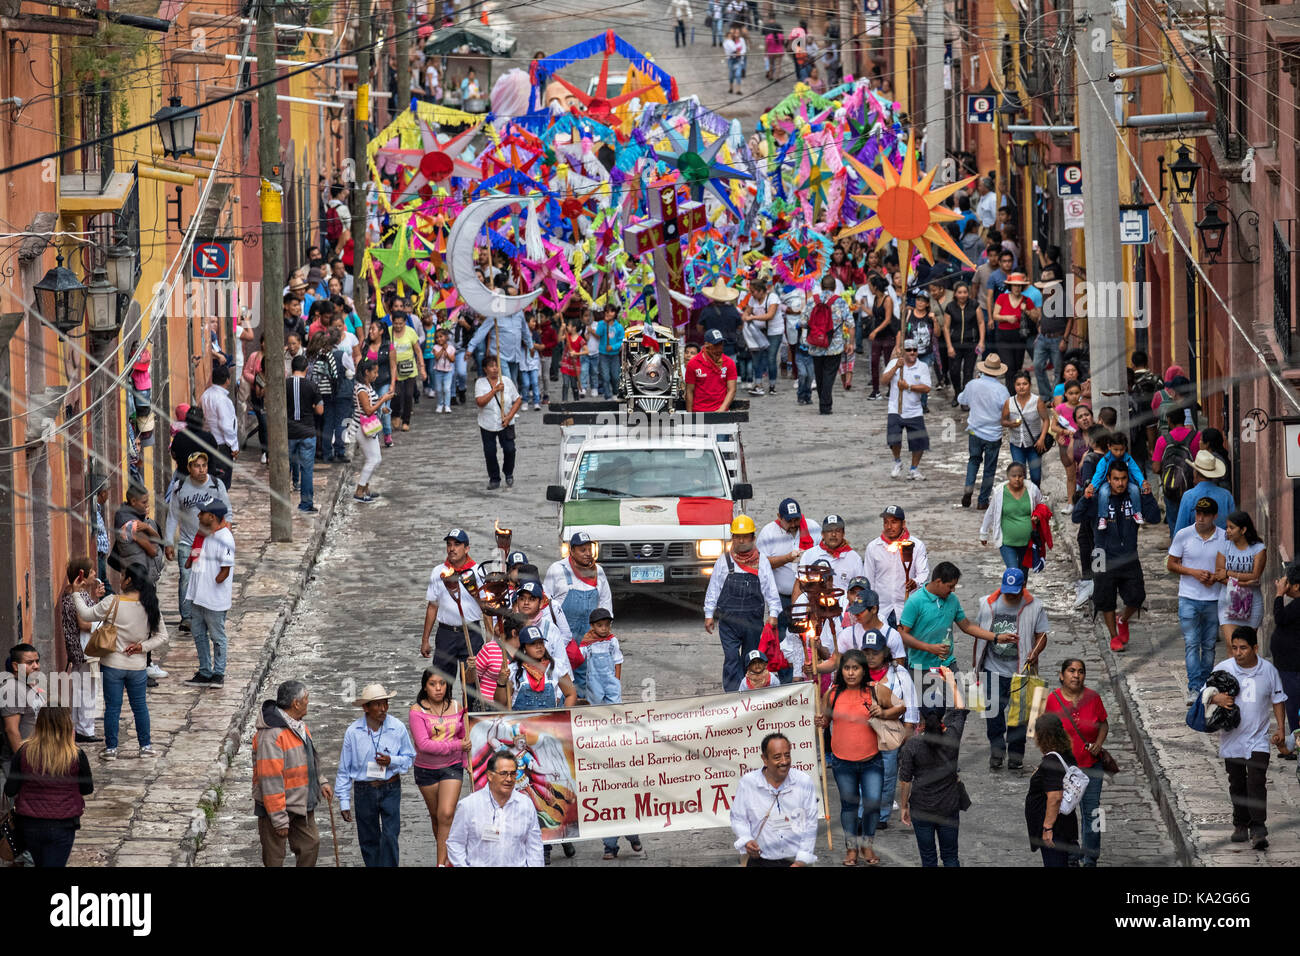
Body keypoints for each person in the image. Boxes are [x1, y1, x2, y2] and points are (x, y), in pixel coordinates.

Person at [73, 564, 168, 759]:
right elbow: (162, 636)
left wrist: (76, 592)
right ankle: (145, 746)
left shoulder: (112, 602)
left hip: (113, 664)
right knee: (140, 706)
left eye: (122, 576)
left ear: (129, 580)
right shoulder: (150, 605)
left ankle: (111, 749)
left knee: (113, 708)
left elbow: (86, 614)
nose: (120, 579)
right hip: (137, 665)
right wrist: (142, 647)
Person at [1208, 627, 1289, 850]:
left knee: (1256, 780)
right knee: (1237, 782)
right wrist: (1217, 699)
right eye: (1234, 648)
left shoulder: (1269, 671)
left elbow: (1278, 699)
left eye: (1243, 648)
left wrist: (1281, 728)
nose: (1238, 653)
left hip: (1259, 738)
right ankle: (1240, 824)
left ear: (1255, 648)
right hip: (1232, 738)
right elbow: (1206, 696)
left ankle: (1259, 827)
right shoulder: (1223, 669)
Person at [1072, 462, 1162, 652]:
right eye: (1116, 479)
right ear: (1108, 479)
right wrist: (1086, 498)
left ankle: (1122, 619)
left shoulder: (1134, 497)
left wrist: (1147, 496)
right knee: (1104, 599)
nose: (1120, 483)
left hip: (1129, 554)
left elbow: (1154, 518)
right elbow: (1076, 517)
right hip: (1101, 554)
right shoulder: (1098, 499)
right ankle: (1114, 637)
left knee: (1137, 596)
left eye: (1123, 479)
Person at [814, 648, 886, 865]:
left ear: (864, 670)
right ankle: (851, 848)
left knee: (873, 803)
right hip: (842, 762)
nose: (851, 673)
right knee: (849, 806)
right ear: (841, 671)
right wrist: (820, 721)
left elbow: (899, 708)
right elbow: (825, 723)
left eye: (855, 668)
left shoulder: (875, 691)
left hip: (871, 760)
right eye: (847, 668)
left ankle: (867, 843)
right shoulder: (832, 694)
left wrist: (884, 712)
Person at [974, 568, 1048, 771]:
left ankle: (1016, 755)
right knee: (993, 714)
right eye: (1007, 591)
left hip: (1021, 671)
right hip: (992, 669)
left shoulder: (1035, 606)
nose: (1010, 595)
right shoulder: (987, 604)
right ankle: (996, 752)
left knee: (1020, 716)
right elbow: (979, 634)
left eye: (1015, 592)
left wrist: (1035, 651)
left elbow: (1042, 635)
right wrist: (977, 666)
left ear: (1023, 587)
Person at [335, 683, 416, 867]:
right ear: (366, 707)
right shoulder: (353, 732)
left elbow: (410, 757)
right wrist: (344, 801)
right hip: (364, 790)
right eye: (377, 705)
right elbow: (344, 769)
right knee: (368, 840)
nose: (383, 709)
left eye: (385, 703)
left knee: (390, 836)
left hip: (391, 787)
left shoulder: (397, 727)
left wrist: (392, 761)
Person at [252, 679, 331, 867]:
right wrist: (279, 819)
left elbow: (308, 757)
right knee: (274, 857)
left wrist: (321, 781)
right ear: (296, 703)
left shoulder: (298, 725)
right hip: (277, 807)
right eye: (306, 699)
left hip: (302, 802)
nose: (308, 703)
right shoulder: (272, 735)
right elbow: (270, 780)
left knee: (310, 845)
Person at [2, 708, 92, 867]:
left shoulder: (24, 752)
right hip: (63, 823)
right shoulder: (75, 755)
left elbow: (11, 789)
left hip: (30, 824)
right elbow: (87, 788)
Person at [898, 667, 967, 866]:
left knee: (928, 858)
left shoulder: (912, 745)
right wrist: (952, 683)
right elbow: (960, 711)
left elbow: (905, 780)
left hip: (921, 807)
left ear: (921, 716)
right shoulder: (952, 736)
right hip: (949, 806)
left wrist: (904, 806)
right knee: (951, 856)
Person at [704, 515, 782, 692]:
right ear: (732, 538)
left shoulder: (762, 562)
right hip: (728, 621)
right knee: (731, 658)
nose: (741, 540)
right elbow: (713, 588)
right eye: (737, 536)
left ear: (753, 538)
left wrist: (773, 614)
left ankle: (751, 697)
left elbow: (770, 590)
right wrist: (709, 614)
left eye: (745, 536)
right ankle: (732, 698)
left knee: (752, 659)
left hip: (752, 621)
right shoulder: (723, 561)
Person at [1044, 659, 1109, 865]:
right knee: (1064, 813)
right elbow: (1047, 733)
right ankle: (1071, 854)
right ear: (1062, 675)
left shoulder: (1093, 698)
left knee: (1092, 813)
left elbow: (1103, 724)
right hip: (1064, 769)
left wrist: (1098, 744)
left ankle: (1091, 857)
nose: (1076, 675)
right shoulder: (1053, 700)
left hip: (1091, 766)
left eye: (1080, 672)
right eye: (1071, 671)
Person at [1167, 496, 1227, 704]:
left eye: (1205, 515)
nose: (1201, 518)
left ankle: (1205, 683)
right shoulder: (1184, 535)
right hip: (1188, 598)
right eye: (1198, 514)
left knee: (1209, 645)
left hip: (1213, 599)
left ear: (1214, 516)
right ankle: (1194, 687)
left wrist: (1215, 577)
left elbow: (1226, 567)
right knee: (1192, 644)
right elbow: (1171, 564)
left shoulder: (1224, 538)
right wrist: (1193, 572)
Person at [164, 451, 231, 634]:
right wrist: (168, 542)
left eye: (204, 465)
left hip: (210, 542)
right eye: (196, 466)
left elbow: (228, 513)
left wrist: (226, 539)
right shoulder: (180, 488)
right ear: (189, 468)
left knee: (206, 577)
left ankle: (205, 613)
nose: (201, 470)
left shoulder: (217, 486)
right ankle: (186, 617)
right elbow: (172, 517)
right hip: (187, 541)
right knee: (186, 577)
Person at [729, 732, 818, 866]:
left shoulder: (804, 781)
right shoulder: (748, 783)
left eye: (787, 755)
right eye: (777, 757)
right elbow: (738, 818)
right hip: (760, 860)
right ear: (765, 759)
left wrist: (801, 860)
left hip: (795, 860)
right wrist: (746, 840)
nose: (784, 761)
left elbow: (810, 823)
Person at [409, 670, 469, 867]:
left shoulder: (456, 706)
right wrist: (455, 746)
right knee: (437, 818)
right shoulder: (417, 711)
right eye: (433, 684)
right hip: (426, 769)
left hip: (452, 767)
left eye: (442, 684)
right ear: (425, 686)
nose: (438, 688)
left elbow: (463, 737)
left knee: (446, 814)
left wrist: (466, 762)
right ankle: (447, 857)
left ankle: (440, 864)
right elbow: (424, 744)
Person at [447, 750, 544, 867]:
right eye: (503, 773)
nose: (509, 779)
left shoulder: (526, 804)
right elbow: (455, 843)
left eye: (513, 774)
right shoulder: (468, 806)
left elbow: (535, 846)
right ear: (490, 776)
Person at [898, 562, 999, 673]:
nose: (953, 590)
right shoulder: (915, 602)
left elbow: (967, 626)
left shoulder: (952, 599)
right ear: (938, 582)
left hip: (947, 665)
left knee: (955, 691)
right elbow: (902, 635)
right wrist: (929, 648)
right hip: (920, 668)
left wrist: (996, 637)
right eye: (950, 586)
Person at [183, 499, 235, 687]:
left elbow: (225, 569)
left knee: (217, 636)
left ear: (212, 517)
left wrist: (214, 584)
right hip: (198, 597)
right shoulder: (205, 535)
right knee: (198, 634)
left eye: (202, 513)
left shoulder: (225, 538)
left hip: (214, 600)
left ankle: (218, 673)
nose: (198, 516)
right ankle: (205, 671)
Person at [420, 528, 486, 678]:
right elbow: (432, 606)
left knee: (472, 682)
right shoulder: (439, 572)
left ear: (467, 548)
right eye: (449, 544)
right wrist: (425, 640)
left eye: (457, 544)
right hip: (446, 634)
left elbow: (487, 607)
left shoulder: (478, 572)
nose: (452, 548)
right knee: (441, 681)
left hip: (471, 632)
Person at [1025, 712, 1081, 866]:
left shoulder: (1052, 761)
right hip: (1066, 826)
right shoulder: (1064, 754)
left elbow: (1055, 796)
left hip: (1056, 832)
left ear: (1042, 736)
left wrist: (1047, 828)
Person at [862, 504, 930, 627]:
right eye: (886, 522)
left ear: (903, 524)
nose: (889, 527)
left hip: (907, 608)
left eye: (894, 522)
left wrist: (915, 582)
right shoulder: (873, 547)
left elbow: (923, 573)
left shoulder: (916, 545)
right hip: (882, 610)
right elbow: (869, 580)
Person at [958, 353, 1010, 509]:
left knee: (973, 460)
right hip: (993, 434)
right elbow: (1007, 411)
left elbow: (962, 400)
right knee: (989, 467)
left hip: (975, 431)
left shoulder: (973, 384)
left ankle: (969, 487)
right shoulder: (1002, 390)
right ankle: (982, 500)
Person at [58, 559, 102, 742]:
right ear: (82, 574)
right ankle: (85, 730)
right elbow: (84, 623)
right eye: (92, 572)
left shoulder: (77, 594)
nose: (95, 575)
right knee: (87, 689)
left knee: (81, 688)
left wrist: (97, 600)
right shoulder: (74, 596)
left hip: (79, 649)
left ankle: (78, 727)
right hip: (84, 649)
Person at [882, 338, 932, 480]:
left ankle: (914, 468)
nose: (912, 353)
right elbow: (884, 381)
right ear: (903, 351)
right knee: (894, 440)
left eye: (915, 350)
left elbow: (927, 388)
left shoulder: (922, 366)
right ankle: (897, 461)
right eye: (909, 350)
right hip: (895, 409)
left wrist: (909, 387)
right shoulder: (895, 363)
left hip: (914, 410)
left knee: (920, 442)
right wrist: (896, 367)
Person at [979, 462, 1044, 571]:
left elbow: (1041, 506)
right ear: (1008, 476)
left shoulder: (1032, 490)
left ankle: (1021, 587)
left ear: (1024, 476)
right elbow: (990, 513)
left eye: (1020, 476)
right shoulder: (1000, 492)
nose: (1017, 479)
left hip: (1027, 542)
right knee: (1013, 572)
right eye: (1014, 476)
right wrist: (983, 533)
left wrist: (1037, 516)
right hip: (1006, 542)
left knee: (1023, 576)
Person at [1215, 510, 1266, 643]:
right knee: (1232, 645)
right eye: (1227, 527)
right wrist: (1244, 583)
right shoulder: (1225, 546)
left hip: (1252, 603)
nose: (1227, 531)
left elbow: (1255, 575)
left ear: (1243, 530)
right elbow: (1219, 575)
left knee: (1247, 646)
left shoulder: (1258, 548)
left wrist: (1228, 573)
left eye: (1232, 528)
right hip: (1227, 601)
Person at [475, 354, 522, 490]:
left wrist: (509, 416)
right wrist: (494, 391)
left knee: (510, 449)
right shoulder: (481, 383)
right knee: (490, 452)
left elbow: (518, 400)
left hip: (506, 422)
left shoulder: (506, 381)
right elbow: (480, 402)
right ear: (485, 369)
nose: (495, 369)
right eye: (491, 366)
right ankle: (494, 478)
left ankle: (508, 472)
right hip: (487, 423)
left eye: (496, 366)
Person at [286, 353, 325, 513]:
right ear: (306, 369)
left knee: (285, 467)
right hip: (307, 431)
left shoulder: (284, 384)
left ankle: (282, 503)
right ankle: (306, 504)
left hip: (288, 432)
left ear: (292, 368)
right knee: (307, 469)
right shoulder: (312, 385)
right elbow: (320, 410)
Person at [805, 275, 848, 414]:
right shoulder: (840, 302)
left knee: (819, 375)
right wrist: (851, 342)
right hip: (834, 345)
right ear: (835, 287)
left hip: (816, 343)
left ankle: (824, 402)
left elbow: (802, 321)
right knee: (829, 375)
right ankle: (825, 405)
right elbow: (850, 323)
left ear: (821, 287)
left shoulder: (812, 300)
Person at [351, 360, 392, 503]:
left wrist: (382, 405)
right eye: (374, 372)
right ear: (367, 372)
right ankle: (359, 491)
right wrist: (383, 400)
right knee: (373, 459)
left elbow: (371, 405)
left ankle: (365, 487)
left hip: (369, 428)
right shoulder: (361, 389)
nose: (377, 375)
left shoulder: (367, 386)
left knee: (375, 459)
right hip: (362, 428)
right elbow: (368, 411)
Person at [1004, 370, 1052, 487]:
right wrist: (1010, 424)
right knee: (1019, 476)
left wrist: (1041, 439)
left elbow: (1046, 420)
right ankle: (1022, 500)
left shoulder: (1037, 401)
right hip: (1016, 445)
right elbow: (1002, 421)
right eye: (1018, 384)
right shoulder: (1009, 402)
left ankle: (1036, 499)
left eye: (1024, 384)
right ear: (1014, 386)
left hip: (1034, 445)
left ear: (1030, 385)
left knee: (1036, 477)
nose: (1021, 387)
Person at [796, 514, 864, 596]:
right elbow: (799, 587)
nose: (833, 534)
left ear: (843, 534)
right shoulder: (809, 555)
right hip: (814, 606)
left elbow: (861, 590)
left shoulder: (854, 558)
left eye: (838, 531)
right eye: (829, 531)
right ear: (822, 534)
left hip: (844, 607)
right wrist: (794, 608)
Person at [1173, 450, 1236, 535]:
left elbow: (1180, 530)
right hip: (1221, 545)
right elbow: (1233, 528)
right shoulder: (1226, 496)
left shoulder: (1189, 496)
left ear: (1195, 473)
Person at [200, 365, 239, 489]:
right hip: (221, 445)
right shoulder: (222, 400)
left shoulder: (205, 395)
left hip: (208, 442)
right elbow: (226, 426)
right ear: (227, 380)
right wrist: (233, 445)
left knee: (210, 481)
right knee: (222, 484)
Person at [942, 282, 982, 400]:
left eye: (965, 292)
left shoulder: (975, 305)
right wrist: (949, 346)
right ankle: (957, 393)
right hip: (955, 344)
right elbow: (946, 327)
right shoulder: (950, 307)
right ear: (955, 294)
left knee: (968, 372)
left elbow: (980, 323)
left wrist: (981, 341)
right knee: (954, 371)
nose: (962, 295)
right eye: (960, 292)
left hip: (971, 343)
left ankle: (965, 397)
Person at [388, 311, 425, 431]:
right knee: (396, 394)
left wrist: (422, 367)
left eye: (401, 323)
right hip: (394, 370)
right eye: (396, 323)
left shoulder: (410, 332)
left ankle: (406, 420)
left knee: (409, 395)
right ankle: (396, 414)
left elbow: (418, 350)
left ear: (405, 322)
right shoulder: (388, 332)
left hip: (409, 369)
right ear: (392, 321)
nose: (398, 326)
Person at [686, 328, 738, 412]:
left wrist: (721, 410)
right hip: (699, 411)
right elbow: (689, 390)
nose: (720, 348)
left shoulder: (729, 363)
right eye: (716, 344)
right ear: (706, 346)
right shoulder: (693, 363)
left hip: (721, 412)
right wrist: (689, 415)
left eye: (721, 344)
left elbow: (732, 389)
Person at [865, 274, 898, 399]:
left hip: (887, 334)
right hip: (878, 335)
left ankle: (891, 388)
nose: (869, 289)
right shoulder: (875, 299)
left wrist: (875, 331)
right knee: (874, 362)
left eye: (870, 286)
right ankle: (875, 389)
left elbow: (888, 319)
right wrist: (862, 307)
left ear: (875, 287)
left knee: (888, 362)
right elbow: (875, 314)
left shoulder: (887, 299)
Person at [696, 278, 742, 356]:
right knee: (729, 367)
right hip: (729, 347)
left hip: (712, 348)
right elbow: (740, 327)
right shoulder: (732, 309)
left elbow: (699, 329)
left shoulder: (706, 310)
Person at [723, 24, 747, 94]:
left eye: (738, 33)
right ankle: (731, 88)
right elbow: (727, 48)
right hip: (731, 60)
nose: (737, 34)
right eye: (735, 33)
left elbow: (744, 49)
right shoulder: (729, 40)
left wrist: (740, 53)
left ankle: (738, 90)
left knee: (738, 74)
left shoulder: (742, 40)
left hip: (739, 60)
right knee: (731, 75)